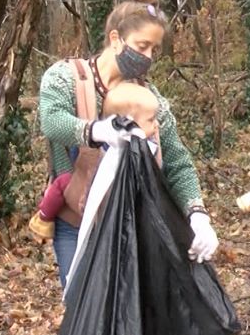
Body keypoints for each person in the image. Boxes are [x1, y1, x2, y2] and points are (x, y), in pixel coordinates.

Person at [37, 0, 227, 335]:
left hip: (140, 225)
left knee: (171, 311)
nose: (148, 57)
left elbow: (176, 160)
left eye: (155, 50)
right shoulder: (66, 78)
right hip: (80, 226)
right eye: (142, 46)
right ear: (115, 37)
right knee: (92, 326)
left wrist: (197, 213)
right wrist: (94, 130)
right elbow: (51, 120)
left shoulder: (151, 98)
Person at [27, 83, 164, 242]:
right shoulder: (119, 146)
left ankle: (44, 217)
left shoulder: (144, 147)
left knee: (62, 182)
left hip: (113, 208)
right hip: (96, 199)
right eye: (151, 120)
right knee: (63, 183)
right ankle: (44, 217)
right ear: (128, 123)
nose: (157, 124)